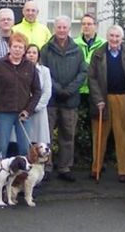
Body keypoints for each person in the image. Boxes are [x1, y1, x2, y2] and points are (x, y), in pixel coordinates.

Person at [88, 24, 125, 182]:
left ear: (122, 38)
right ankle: (96, 168)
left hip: (122, 98)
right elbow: (92, 78)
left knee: (122, 135)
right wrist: (98, 99)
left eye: (117, 36)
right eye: (111, 36)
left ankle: (123, 170)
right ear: (107, 36)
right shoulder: (98, 54)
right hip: (103, 99)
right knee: (99, 135)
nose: (114, 39)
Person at [40, 15, 86, 182]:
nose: (61, 30)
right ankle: (46, 166)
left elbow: (83, 72)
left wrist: (70, 90)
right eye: (58, 27)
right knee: (47, 136)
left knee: (68, 135)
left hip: (70, 100)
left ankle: (65, 167)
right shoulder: (46, 49)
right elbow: (42, 71)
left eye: (64, 27)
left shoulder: (77, 49)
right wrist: (57, 89)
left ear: (69, 29)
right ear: (54, 29)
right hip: (51, 100)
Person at [0, 32, 41, 158]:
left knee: (24, 147)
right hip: (3, 112)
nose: (17, 50)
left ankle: (23, 176)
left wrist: (28, 110)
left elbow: (37, 91)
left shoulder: (30, 67)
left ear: (24, 50)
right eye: (15, 47)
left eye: (20, 47)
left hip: (23, 113)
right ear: (9, 47)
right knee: (2, 146)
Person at [22, 44, 52, 145]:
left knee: (38, 142)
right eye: (29, 52)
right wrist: (26, 109)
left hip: (38, 111)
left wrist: (34, 108)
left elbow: (47, 92)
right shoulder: (19, 69)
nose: (31, 55)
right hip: (22, 111)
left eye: (34, 53)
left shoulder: (45, 71)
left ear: (38, 55)